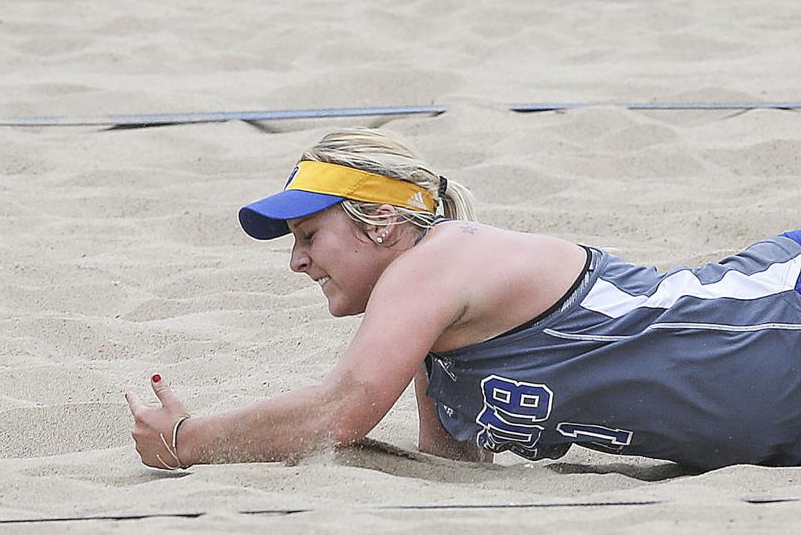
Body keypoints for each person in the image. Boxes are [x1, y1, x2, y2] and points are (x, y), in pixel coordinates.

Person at [124, 127, 801, 472]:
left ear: (382, 221)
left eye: (310, 234)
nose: (297, 259)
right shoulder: (436, 348)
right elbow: (452, 468)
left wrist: (189, 441)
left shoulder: (437, 261)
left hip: (776, 316)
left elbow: (337, 413)